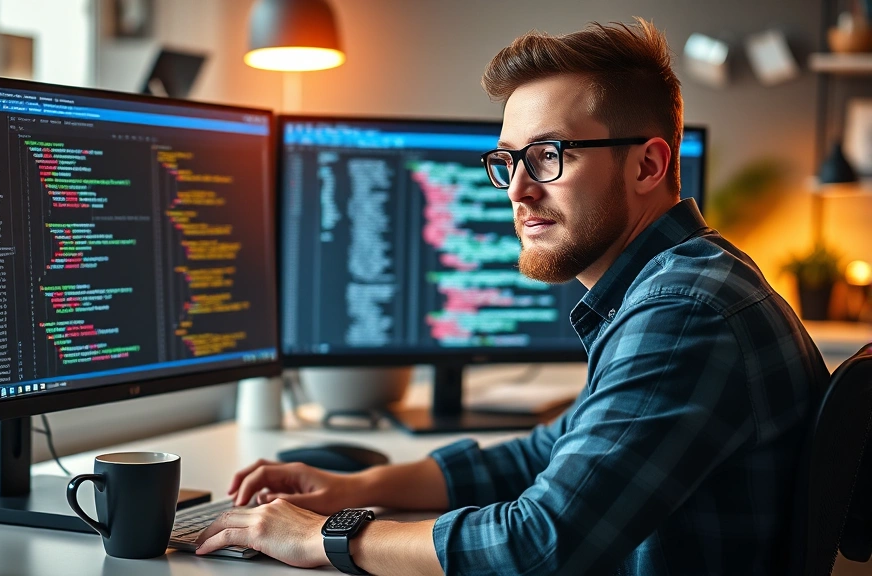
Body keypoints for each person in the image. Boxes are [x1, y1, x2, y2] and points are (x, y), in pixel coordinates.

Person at [196, 18, 829, 575]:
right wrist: (353, 487)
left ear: (647, 166)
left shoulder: (686, 312)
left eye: (550, 155)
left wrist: (321, 537)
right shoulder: (678, 284)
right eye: (508, 160)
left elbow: (539, 545)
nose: (518, 190)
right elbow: (546, 450)